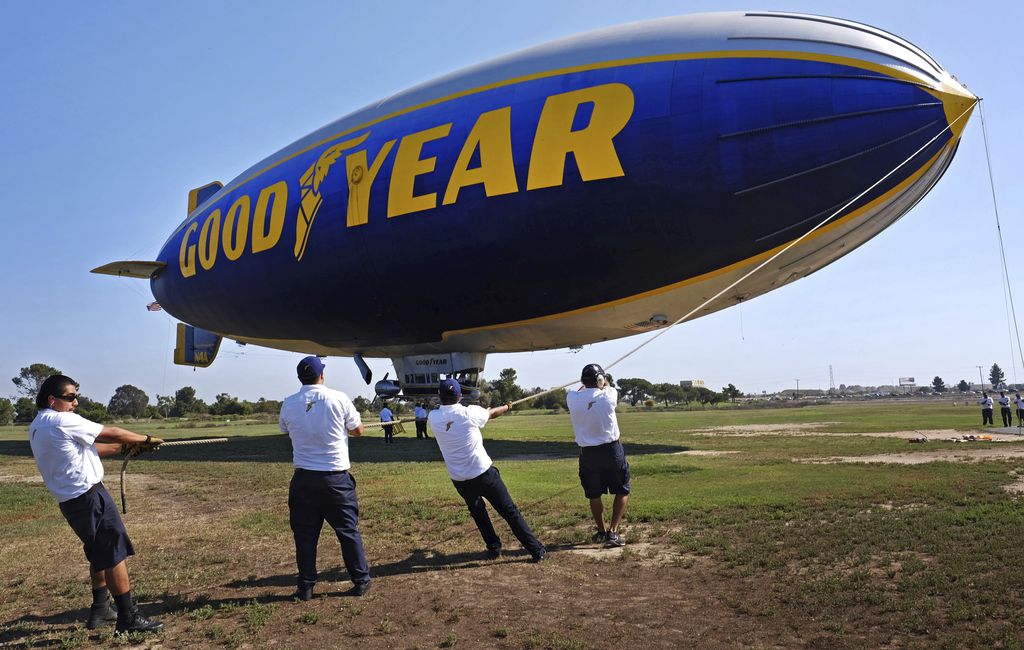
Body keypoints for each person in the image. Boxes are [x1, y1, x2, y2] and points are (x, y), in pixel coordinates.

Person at [28, 375, 164, 635]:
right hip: (90, 497)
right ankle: (128, 618)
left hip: (72, 502)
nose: (75, 402)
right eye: (70, 397)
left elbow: (88, 450)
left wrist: (124, 446)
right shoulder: (61, 420)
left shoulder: (38, 425)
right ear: (52, 399)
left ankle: (101, 608)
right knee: (114, 554)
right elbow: (107, 431)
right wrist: (143, 439)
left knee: (100, 550)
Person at [279, 356, 371, 599]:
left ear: (300, 377)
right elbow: (358, 430)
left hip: (303, 481)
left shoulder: (288, 403)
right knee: (347, 531)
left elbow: (285, 429)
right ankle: (361, 581)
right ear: (322, 375)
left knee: (305, 535)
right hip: (335, 480)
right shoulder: (339, 398)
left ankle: (306, 586)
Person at [427, 379, 546, 562]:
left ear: (439, 396)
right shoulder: (469, 412)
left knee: (479, 513)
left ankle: (493, 547)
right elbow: (491, 413)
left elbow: (450, 414)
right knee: (509, 512)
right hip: (483, 474)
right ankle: (536, 550)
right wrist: (507, 407)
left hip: (460, 479)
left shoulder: (433, 418)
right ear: (459, 396)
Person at [565, 364, 630, 548]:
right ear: (600, 380)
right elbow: (606, 385)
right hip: (611, 450)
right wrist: (603, 379)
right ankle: (613, 532)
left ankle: (601, 531)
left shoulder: (572, 398)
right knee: (622, 489)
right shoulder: (609, 395)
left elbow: (579, 391)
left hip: (588, 453)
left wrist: (588, 382)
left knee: (594, 494)